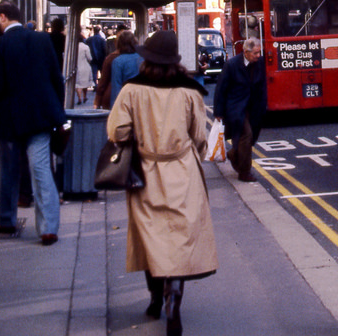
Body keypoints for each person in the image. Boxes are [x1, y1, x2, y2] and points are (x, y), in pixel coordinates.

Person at [107, 30, 216, 336]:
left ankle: (155, 298)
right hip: (182, 171)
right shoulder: (190, 91)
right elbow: (199, 137)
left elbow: (117, 131)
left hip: (144, 173)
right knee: (179, 240)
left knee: (150, 238)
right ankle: (174, 301)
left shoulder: (132, 90)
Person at [0, 2, 66, 245]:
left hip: (9, 120)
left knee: (9, 171)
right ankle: (48, 229)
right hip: (40, 117)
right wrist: (56, 111)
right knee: (41, 170)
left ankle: (7, 221)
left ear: (2, 18)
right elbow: (57, 78)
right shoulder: (42, 40)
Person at [213, 37, 267, 182]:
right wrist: (218, 112)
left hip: (254, 107)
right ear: (245, 52)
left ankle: (233, 154)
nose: (258, 55)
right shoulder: (231, 65)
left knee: (251, 138)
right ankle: (244, 172)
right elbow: (221, 89)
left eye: (259, 52)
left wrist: (263, 105)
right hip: (236, 107)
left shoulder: (260, 63)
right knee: (246, 135)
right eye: (255, 53)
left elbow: (262, 86)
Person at [109, 31, 144, 108]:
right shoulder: (142, 58)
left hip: (126, 101)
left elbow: (116, 86)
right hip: (142, 99)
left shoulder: (118, 61)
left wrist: (114, 108)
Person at [75, 32, 94, 105]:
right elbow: (89, 58)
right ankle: (84, 96)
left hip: (76, 66)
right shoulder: (85, 47)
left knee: (78, 84)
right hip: (85, 66)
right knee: (85, 83)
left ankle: (79, 98)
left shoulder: (73, 47)